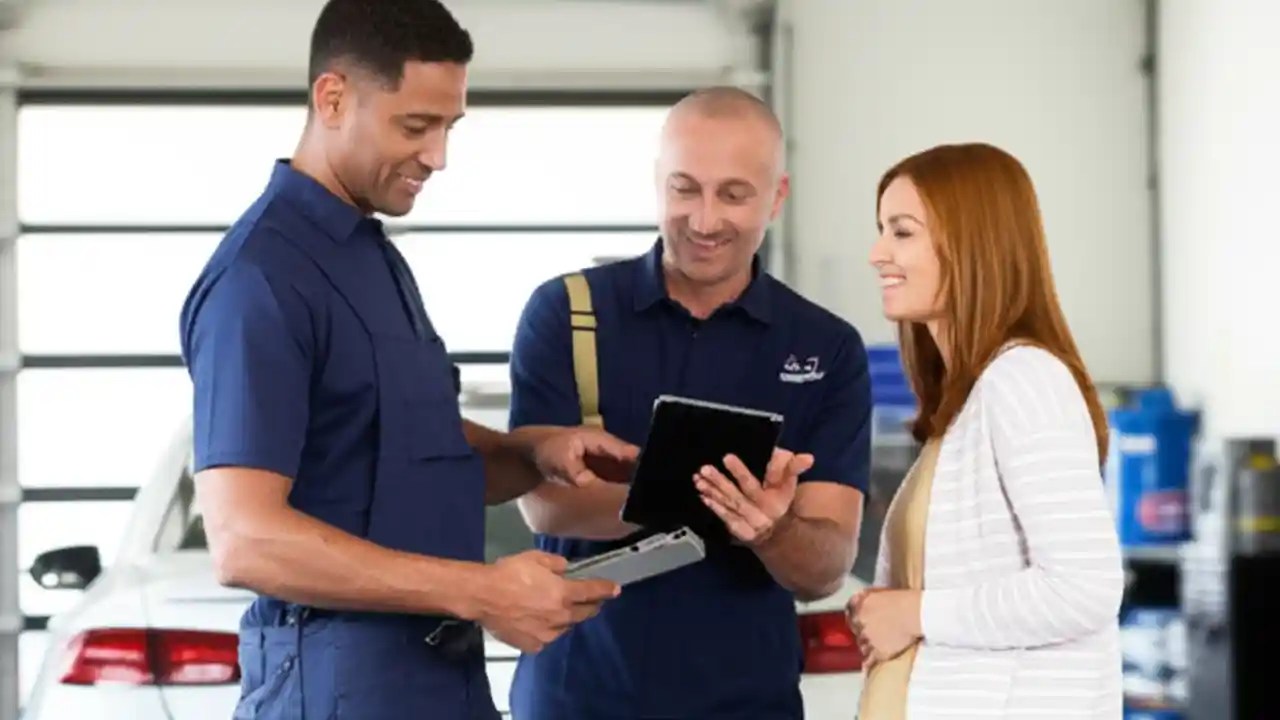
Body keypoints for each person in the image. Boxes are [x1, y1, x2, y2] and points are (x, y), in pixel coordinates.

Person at [177, 1, 635, 718]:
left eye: (449, 126)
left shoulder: (371, 257)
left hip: (438, 676)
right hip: (332, 684)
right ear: (332, 99)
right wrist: (482, 590)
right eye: (415, 126)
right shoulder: (259, 280)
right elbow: (245, 540)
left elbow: (404, 452)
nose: (438, 155)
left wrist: (536, 453)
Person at [506, 86, 873, 720]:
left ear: (776, 197)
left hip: (745, 704)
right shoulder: (568, 312)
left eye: (733, 194)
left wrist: (773, 529)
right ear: (657, 183)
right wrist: (721, 499)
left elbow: (823, 568)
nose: (704, 221)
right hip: (579, 697)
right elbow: (545, 503)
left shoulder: (825, 347)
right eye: (685, 189)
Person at [848, 142, 1125, 719]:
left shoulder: (1024, 380)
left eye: (902, 232)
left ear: (971, 242)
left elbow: (1085, 589)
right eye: (881, 230)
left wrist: (914, 612)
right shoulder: (967, 402)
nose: (877, 253)